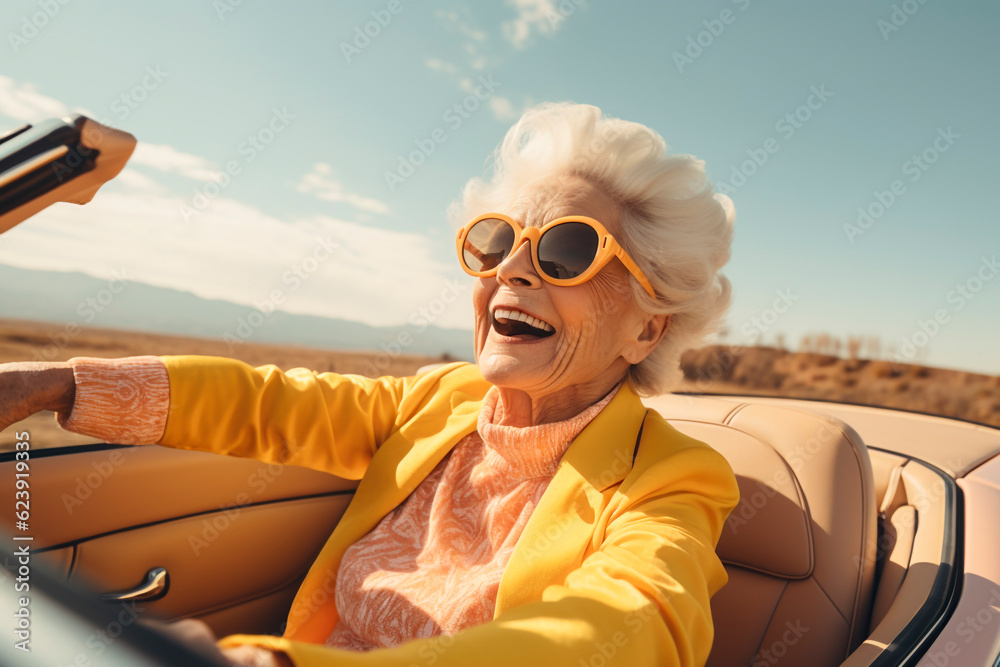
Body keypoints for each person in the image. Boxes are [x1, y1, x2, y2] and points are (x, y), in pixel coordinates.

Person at [0, 102, 739, 667]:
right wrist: (55, 384)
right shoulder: (441, 399)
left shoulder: (672, 479)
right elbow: (273, 403)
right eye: (496, 240)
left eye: (567, 248)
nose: (510, 269)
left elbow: (620, 630)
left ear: (647, 327)